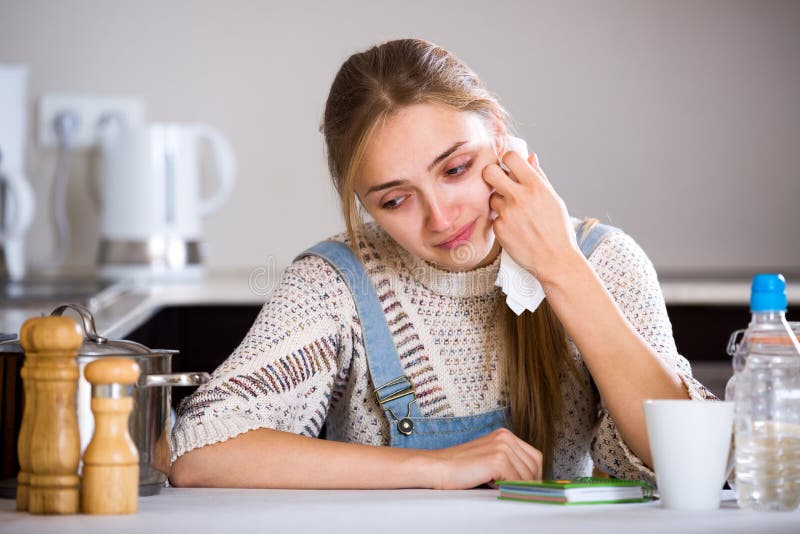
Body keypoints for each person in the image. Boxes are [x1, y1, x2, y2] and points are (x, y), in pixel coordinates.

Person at [168, 38, 714, 490]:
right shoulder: (335, 283)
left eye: (455, 169)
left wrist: (560, 268)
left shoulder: (603, 262)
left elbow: (686, 460)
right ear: (364, 206)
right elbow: (199, 450)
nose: (440, 217)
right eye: (395, 200)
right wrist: (433, 467)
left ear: (500, 136)